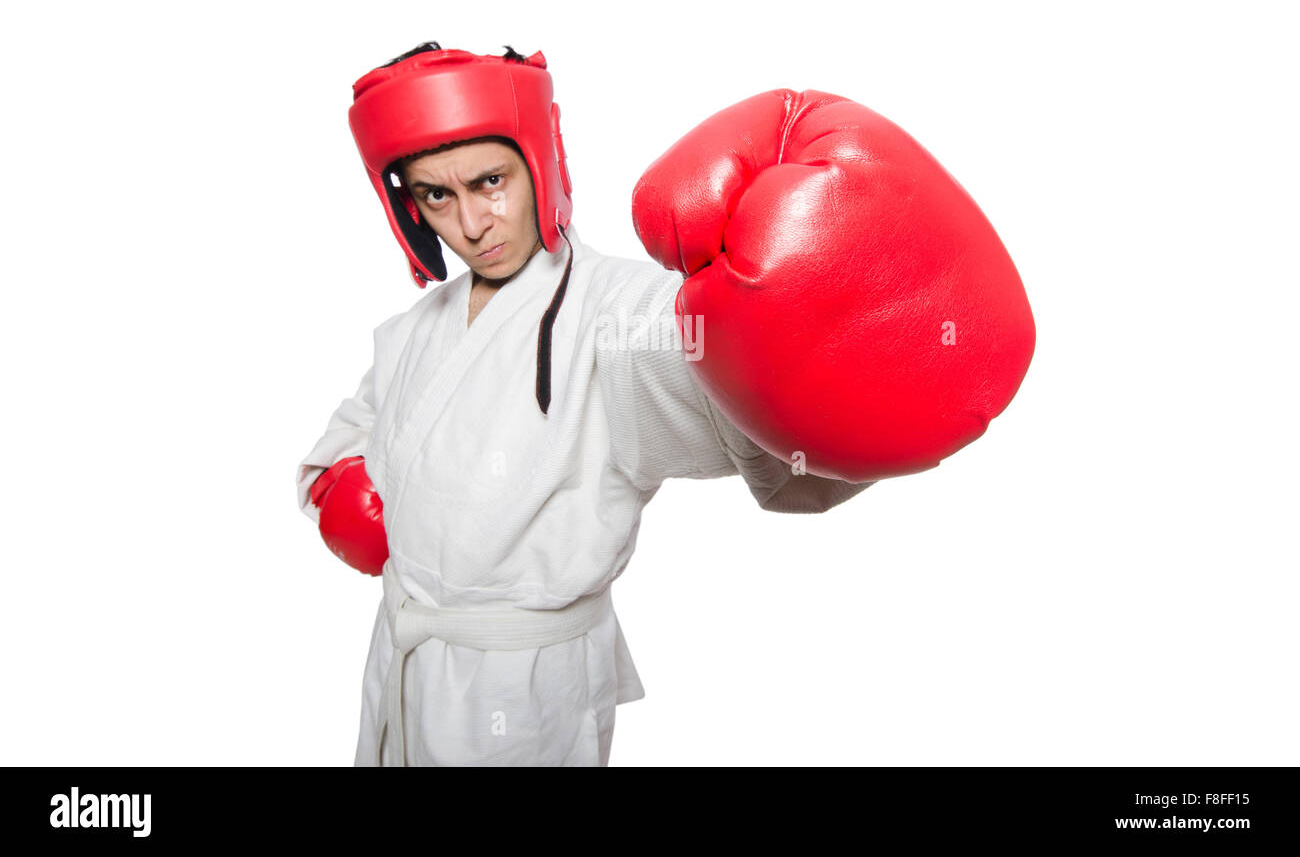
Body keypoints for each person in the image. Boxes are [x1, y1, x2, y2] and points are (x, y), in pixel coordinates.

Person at [296, 42, 1035, 766]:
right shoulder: (412, 331)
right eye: (437, 195)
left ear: (537, 160)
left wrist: (869, 320)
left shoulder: (613, 312)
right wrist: (341, 483)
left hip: (519, 702)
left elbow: (709, 380)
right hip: (400, 664)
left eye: (490, 180)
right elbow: (358, 426)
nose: (472, 222)